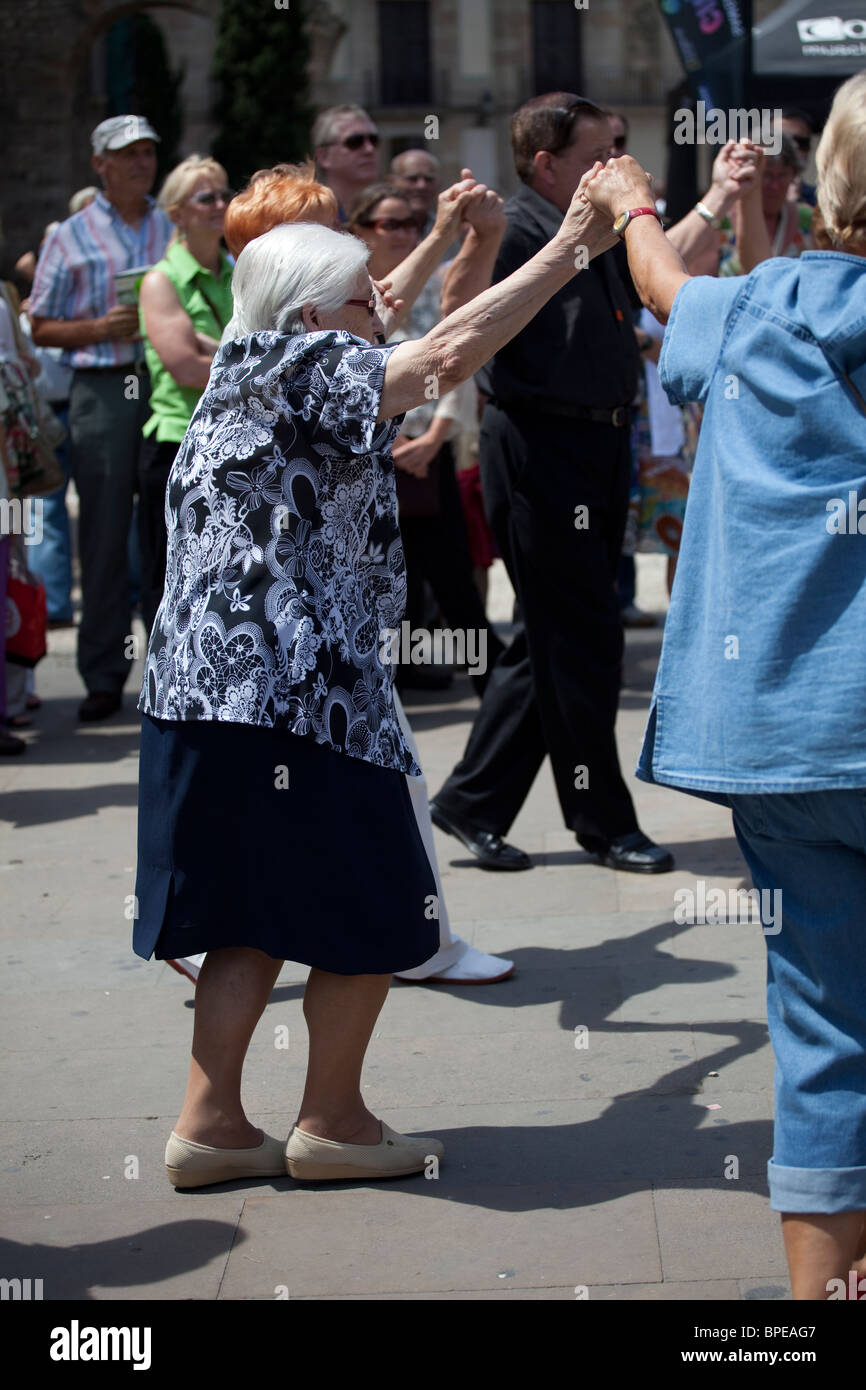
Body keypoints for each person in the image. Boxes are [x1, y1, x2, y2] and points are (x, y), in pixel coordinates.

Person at [134, 175, 620, 1188]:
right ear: (318, 318)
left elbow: (412, 319)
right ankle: (335, 1124)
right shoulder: (311, 361)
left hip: (207, 697)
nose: (379, 312)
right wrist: (574, 240)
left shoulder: (253, 361)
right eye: (362, 304)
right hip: (299, 697)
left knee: (245, 917)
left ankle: (210, 1126)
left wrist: (451, 240)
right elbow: (445, 352)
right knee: (370, 905)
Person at [583, 68, 866, 1300]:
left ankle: (814, 1301)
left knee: (818, 1022)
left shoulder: (762, 308)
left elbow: (661, 287)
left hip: (793, 733)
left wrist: (638, 202)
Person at [430, 92, 674, 875]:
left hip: (596, 448)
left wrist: (721, 200)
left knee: (552, 639)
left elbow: (652, 287)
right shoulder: (523, 230)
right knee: (584, 644)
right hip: (542, 448)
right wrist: (471, 236)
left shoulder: (596, 233)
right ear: (549, 163)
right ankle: (603, 822)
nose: (614, 164)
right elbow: (455, 310)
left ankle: (471, 801)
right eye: (600, 151)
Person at [28, 115, 172, 721]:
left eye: (148, 151)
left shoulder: (173, 224)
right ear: (100, 164)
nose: (142, 162)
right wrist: (95, 328)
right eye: (128, 154)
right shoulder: (70, 235)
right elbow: (38, 322)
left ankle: (173, 667)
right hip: (105, 384)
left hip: (168, 382)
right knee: (106, 533)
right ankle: (105, 674)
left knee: (170, 530)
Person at [348, 181, 506, 696]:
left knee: (451, 569)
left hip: (428, 449)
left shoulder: (441, 281)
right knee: (388, 571)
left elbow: (456, 363)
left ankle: (491, 675)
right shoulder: (350, 295)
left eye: (411, 224)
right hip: (370, 454)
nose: (402, 233)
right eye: (389, 224)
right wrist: (387, 443)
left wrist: (436, 438)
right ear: (361, 232)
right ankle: (400, 672)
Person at [137, 155, 234, 636]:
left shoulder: (240, 272)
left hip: (235, 444)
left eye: (223, 194)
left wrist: (216, 350)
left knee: (224, 582)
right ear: (177, 213)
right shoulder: (161, 281)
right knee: (169, 584)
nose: (220, 204)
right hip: (179, 445)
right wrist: (246, 360)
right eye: (205, 197)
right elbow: (183, 366)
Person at [719, 133, 813, 276]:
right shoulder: (719, 221)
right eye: (767, 176)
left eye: (782, 176)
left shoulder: (807, 221)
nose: (775, 186)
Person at [312, 104, 381, 225]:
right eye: (355, 142)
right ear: (324, 156)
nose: (369, 149)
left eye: (374, 140)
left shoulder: (392, 215)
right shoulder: (309, 216)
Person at [390, 148, 441, 235]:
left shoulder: (452, 231)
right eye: (412, 179)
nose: (421, 186)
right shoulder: (374, 231)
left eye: (428, 179)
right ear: (391, 182)